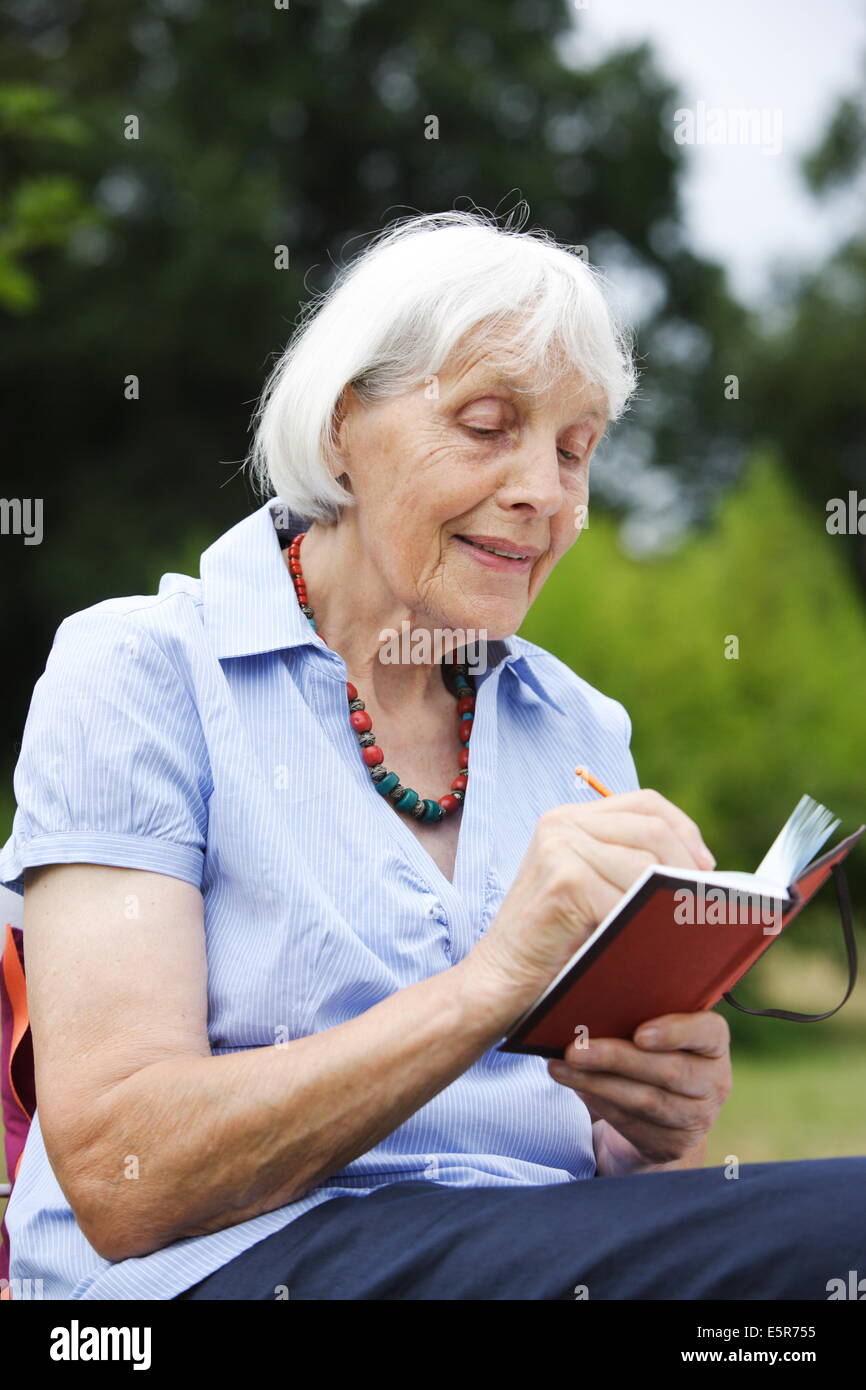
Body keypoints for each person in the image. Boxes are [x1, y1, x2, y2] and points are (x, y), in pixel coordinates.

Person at [1, 210, 862, 1301]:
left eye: (572, 449)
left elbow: (605, 1193)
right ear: (340, 429)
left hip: (521, 1256)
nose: (541, 492)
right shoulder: (139, 672)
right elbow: (126, 1179)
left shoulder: (579, 726)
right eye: (487, 424)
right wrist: (489, 986)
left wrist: (651, 1127)